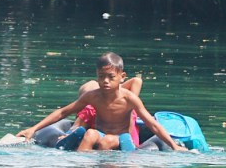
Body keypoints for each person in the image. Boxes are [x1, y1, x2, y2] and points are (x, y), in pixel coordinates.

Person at [17, 52, 185, 152]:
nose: (105, 81)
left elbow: (152, 125)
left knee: (108, 141)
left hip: (121, 138)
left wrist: (174, 146)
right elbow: (63, 112)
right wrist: (33, 129)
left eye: (111, 77)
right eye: (101, 76)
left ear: (122, 77)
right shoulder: (93, 96)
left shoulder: (129, 99)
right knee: (89, 133)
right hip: (100, 134)